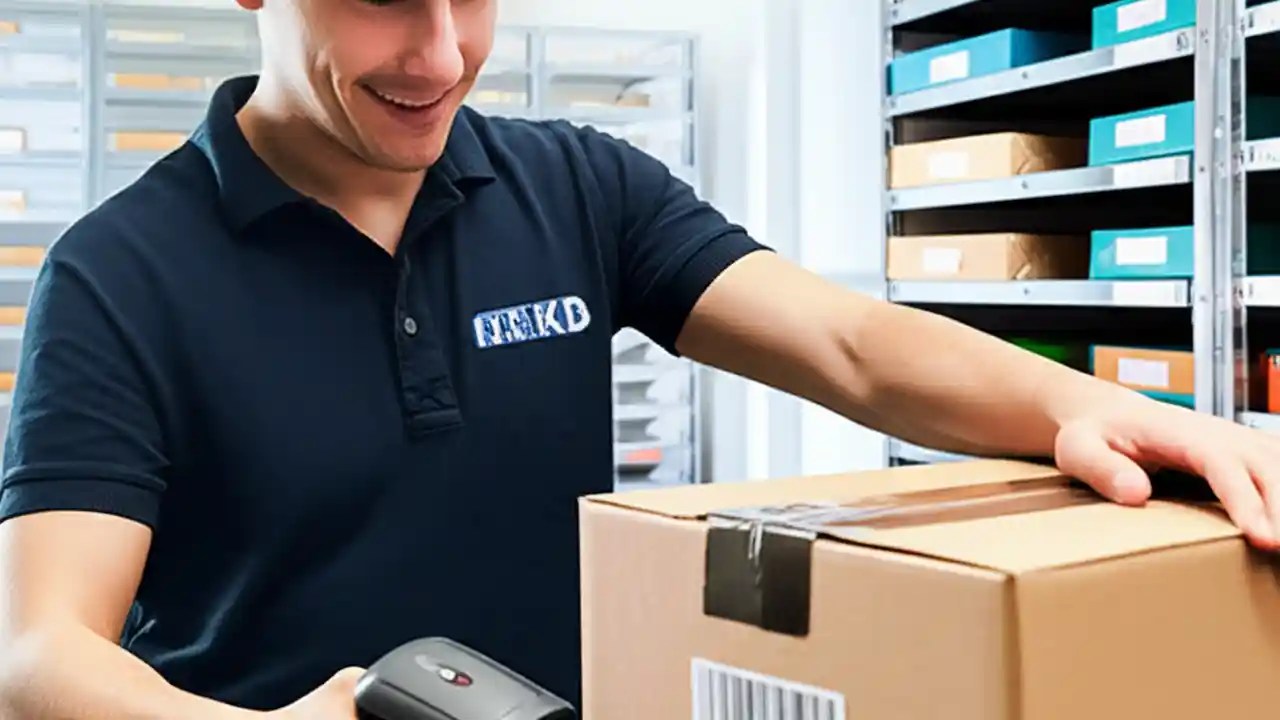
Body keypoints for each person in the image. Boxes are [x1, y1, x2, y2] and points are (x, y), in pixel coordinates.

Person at [1, 1, 1278, 718]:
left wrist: (1086, 407)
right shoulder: (120, 276)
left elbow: (846, 341)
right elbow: (40, 650)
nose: (441, 55)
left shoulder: (577, 186)